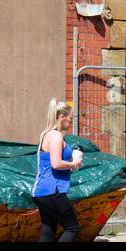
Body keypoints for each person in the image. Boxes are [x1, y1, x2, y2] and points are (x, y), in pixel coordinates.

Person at [32, 99, 83, 242]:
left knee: (48, 229)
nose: (71, 122)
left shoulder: (46, 134)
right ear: (62, 118)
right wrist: (74, 163)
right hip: (52, 191)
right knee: (72, 227)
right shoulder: (56, 136)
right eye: (70, 118)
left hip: (42, 192)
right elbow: (55, 164)